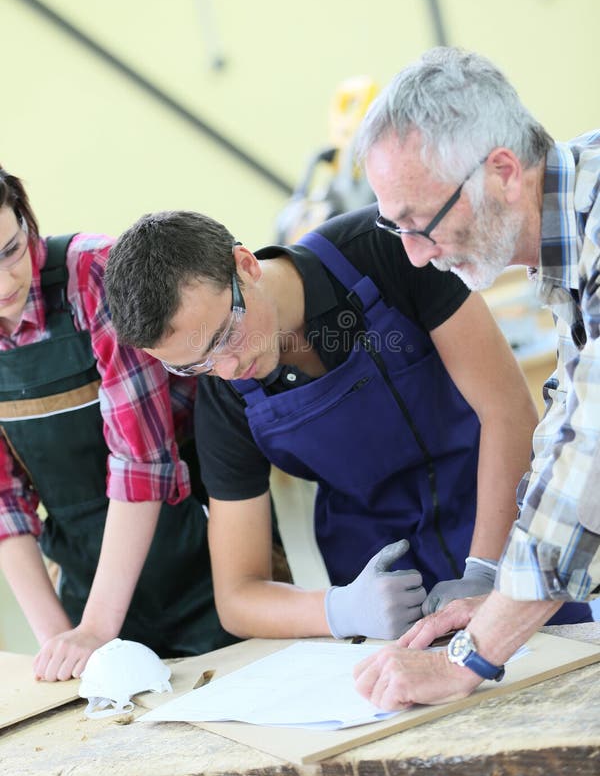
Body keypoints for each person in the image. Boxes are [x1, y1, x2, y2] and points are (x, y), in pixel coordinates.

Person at [104, 201, 537, 642]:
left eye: (224, 336)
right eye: (193, 366)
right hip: (383, 580)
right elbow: (237, 597)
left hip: (503, 523)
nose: (228, 369)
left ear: (245, 265)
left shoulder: (388, 248)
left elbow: (508, 410)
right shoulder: (225, 397)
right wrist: (340, 610)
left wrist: (488, 569)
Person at [351, 46, 600, 711]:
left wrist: (473, 656)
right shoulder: (567, 240)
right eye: (393, 228)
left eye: (421, 224)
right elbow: (568, 428)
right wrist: (496, 591)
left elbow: (592, 468)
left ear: (503, 172)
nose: (415, 254)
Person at [0, 166, 234, 683]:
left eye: (10, 251)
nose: (3, 284)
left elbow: (142, 460)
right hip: (87, 584)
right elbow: (5, 504)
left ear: (24, 216)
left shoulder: (93, 273)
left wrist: (96, 629)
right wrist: (62, 644)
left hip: (202, 565)